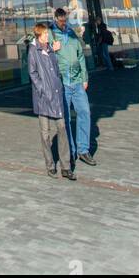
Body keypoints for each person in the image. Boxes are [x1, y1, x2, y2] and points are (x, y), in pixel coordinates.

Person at [28, 23, 75, 182]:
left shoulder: (50, 49)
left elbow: (55, 69)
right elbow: (32, 73)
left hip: (55, 95)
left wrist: (55, 52)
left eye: (48, 33)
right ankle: (50, 165)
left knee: (62, 128)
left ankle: (66, 166)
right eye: (46, 34)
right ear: (39, 34)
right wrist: (42, 89)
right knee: (45, 134)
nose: (48, 36)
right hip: (43, 98)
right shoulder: (34, 51)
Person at [54, 12, 97, 166]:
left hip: (77, 82)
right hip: (63, 83)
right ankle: (70, 152)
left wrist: (84, 77)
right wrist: (52, 49)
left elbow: (80, 56)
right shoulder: (51, 35)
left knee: (84, 112)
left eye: (65, 20)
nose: (63, 23)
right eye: (61, 21)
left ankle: (83, 150)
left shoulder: (71, 34)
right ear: (55, 19)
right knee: (65, 119)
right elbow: (42, 57)